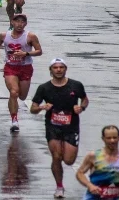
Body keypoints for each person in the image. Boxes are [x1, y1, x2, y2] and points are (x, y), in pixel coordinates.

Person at [31, 58, 89, 199]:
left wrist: (81, 108)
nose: (58, 70)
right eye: (55, 67)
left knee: (68, 160)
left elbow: (85, 99)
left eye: (61, 67)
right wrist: (42, 107)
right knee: (56, 157)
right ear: (50, 70)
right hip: (53, 127)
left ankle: (65, 157)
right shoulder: (44, 88)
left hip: (71, 127)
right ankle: (59, 187)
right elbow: (33, 108)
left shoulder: (76, 85)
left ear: (65, 69)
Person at [0, 13, 42, 132]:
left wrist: (26, 53)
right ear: (12, 22)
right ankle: (14, 121)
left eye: (22, 22)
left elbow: (39, 51)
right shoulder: (4, 35)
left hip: (25, 68)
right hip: (11, 67)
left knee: (22, 96)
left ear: (25, 24)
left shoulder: (30, 36)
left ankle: (15, 113)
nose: (20, 24)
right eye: (17, 21)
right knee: (14, 92)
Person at [75, 125, 119, 200]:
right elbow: (79, 173)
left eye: (115, 137)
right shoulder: (93, 156)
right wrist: (89, 185)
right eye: (109, 138)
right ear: (103, 139)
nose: (112, 140)